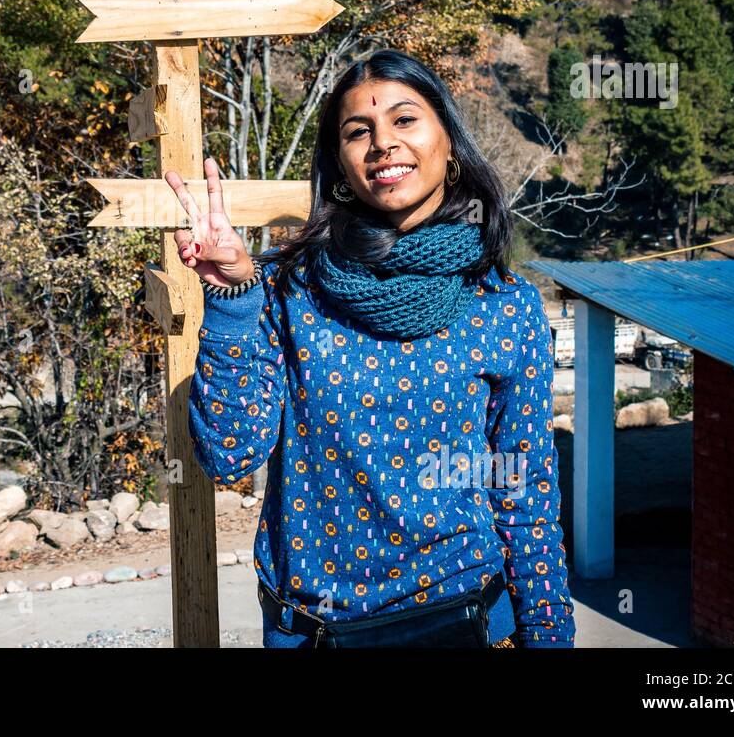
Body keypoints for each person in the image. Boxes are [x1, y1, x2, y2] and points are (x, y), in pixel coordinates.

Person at [164, 48, 575, 648]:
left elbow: (524, 489)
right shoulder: (286, 287)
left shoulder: (504, 305)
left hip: (469, 623)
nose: (383, 142)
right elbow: (230, 456)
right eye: (359, 131)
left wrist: (550, 636)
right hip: (314, 631)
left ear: (451, 145)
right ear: (341, 165)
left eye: (404, 120)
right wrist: (231, 302)